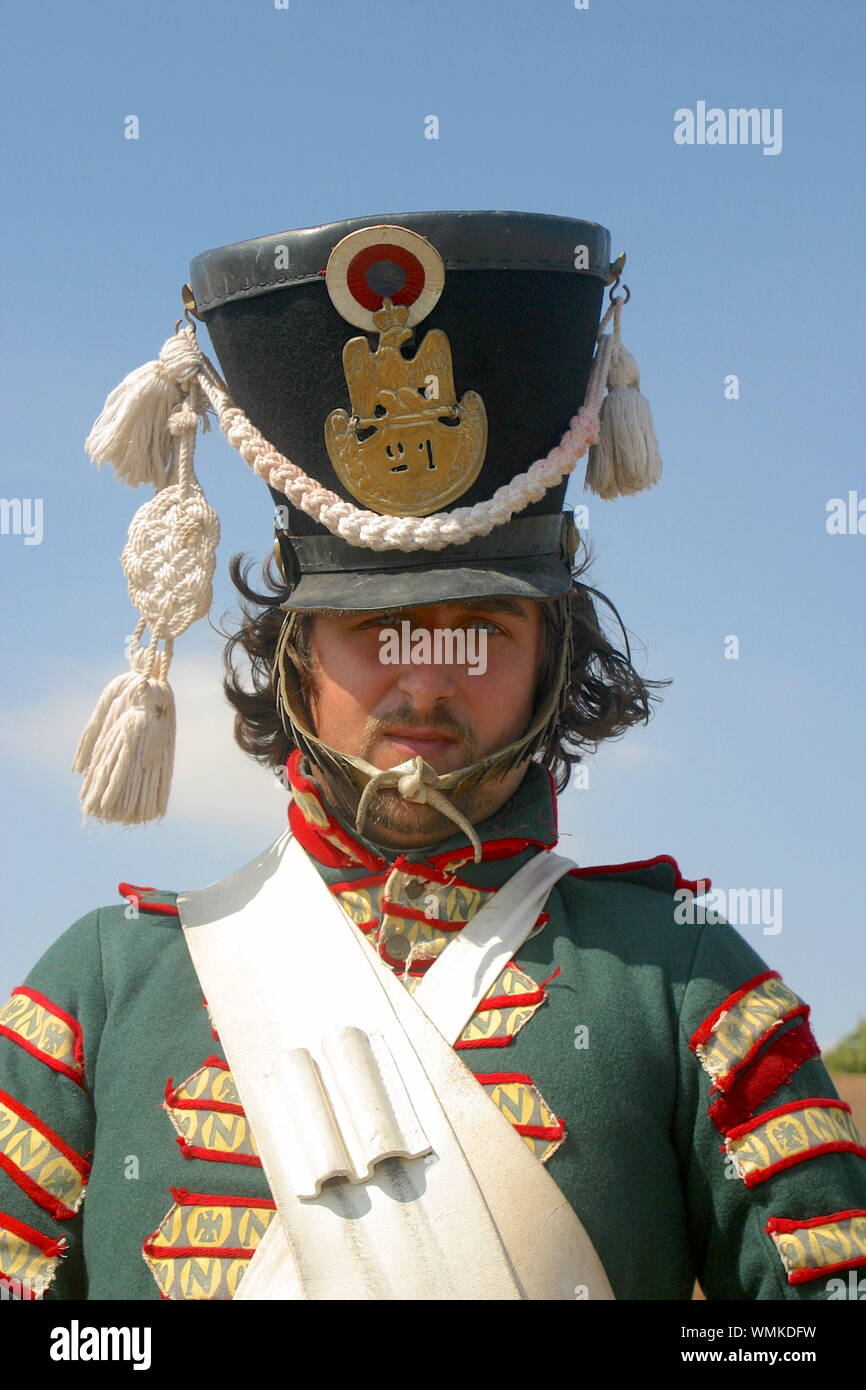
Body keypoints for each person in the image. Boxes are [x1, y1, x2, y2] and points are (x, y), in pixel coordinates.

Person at [1, 212, 864, 1301]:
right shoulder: (105, 987)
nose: (423, 677)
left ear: (555, 657)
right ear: (295, 655)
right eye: (375, 628)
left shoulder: (684, 985)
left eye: (483, 630)